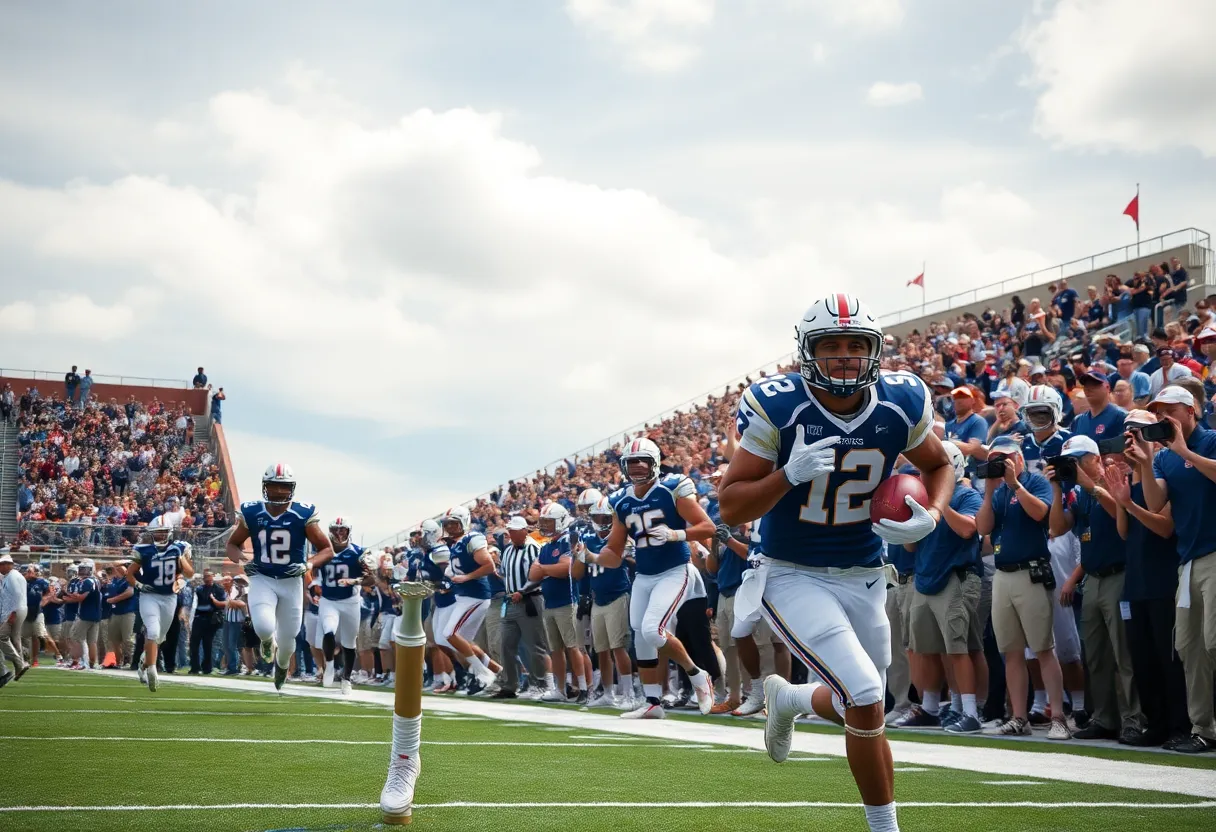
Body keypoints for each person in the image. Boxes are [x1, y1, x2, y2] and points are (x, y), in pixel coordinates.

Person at [719, 293, 954, 832]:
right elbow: (730, 505)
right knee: (867, 695)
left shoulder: (900, 400)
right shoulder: (779, 406)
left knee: (865, 698)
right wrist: (786, 475)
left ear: (874, 351)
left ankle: (793, 697)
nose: (845, 356)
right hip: (789, 571)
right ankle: (884, 827)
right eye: (832, 346)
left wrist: (934, 515)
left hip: (865, 572)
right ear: (808, 353)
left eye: (856, 345)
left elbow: (939, 464)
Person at [595, 437, 718, 719]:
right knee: (641, 635)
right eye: (631, 462)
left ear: (656, 463)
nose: (637, 467)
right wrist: (590, 557)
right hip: (644, 575)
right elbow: (614, 551)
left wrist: (676, 534)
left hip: (675, 569)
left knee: (653, 629)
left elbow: (707, 527)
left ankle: (698, 675)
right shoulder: (621, 500)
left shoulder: (671, 488)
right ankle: (653, 702)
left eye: (643, 461)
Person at [1131, 386, 1216, 753]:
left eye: (1169, 411)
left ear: (1190, 410)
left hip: (1215, 553)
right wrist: (1147, 465)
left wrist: (1184, 451)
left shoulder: (1211, 439)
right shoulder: (1164, 457)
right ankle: (1203, 728)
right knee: (1189, 646)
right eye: (1158, 412)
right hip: (1188, 560)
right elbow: (1155, 500)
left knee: (1214, 641)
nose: (1162, 418)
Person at [1049, 436, 1144, 743]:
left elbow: (1121, 514)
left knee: (1123, 652)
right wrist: (1056, 488)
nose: (1073, 467)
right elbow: (1057, 528)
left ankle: (1133, 718)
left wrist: (1087, 484)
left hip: (1118, 574)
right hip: (1092, 578)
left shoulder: (1113, 480)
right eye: (1069, 462)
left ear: (1095, 459)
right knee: (1096, 655)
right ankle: (1104, 717)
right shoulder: (1077, 493)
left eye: (1077, 460)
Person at [976, 436, 1070, 740]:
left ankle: (1058, 716)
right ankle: (1018, 716)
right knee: (1011, 651)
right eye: (993, 459)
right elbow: (982, 528)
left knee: (1043, 647)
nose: (998, 464)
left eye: (1002, 458)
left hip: (1030, 571)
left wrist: (1016, 484)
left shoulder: (1034, 481)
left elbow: (1042, 514)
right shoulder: (997, 491)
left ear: (1018, 458)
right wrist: (990, 492)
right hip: (1003, 574)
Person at [225, 463, 335, 690]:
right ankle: (267, 641)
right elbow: (232, 545)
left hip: (291, 581)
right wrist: (245, 562)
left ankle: (282, 665)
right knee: (264, 627)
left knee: (288, 639)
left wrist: (308, 564)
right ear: (265, 487)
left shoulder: (301, 513)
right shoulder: (253, 512)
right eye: (274, 487)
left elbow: (327, 549)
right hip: (263, 577)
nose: (278, 492)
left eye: (283, 487)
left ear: (291, 488)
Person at [904, 441, 986, 734]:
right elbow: (910, 545)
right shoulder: (921, 498)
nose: (924, 475)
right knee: (925, 649)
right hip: (925, 576)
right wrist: (910, 514)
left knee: (958, 648)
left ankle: (971, 711)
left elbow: (968, 528)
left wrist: (941, 502)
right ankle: (929, 707)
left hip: (956, 576)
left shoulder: (966, 494)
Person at [577, 494, 635, 709]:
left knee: (618, 647)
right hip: (597, 598)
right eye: (597, 518)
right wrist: (578, 556)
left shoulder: (621, 538)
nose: (601, 523)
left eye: (605, 518)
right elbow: (577, 573)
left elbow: (629, 560)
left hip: (618, 595)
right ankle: (608, 693)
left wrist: (627, 553)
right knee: (601, 649)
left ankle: (628, 693)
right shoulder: (588, 539)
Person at [437, 505, 502, 694]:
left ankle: (483, 673)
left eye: (454, 524)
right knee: (464, 642)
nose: (450, 527)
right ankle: (499, 671)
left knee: (449, 634)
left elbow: (488, 566)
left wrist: (466, 577)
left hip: (475, 596)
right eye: (447, 524)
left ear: (464, 523)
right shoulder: (456, 544)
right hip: (464, 595)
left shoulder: (472, 539)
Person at [530, 502, 589, 704]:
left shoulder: (567, 540)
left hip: (567, 600)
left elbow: (565, 569)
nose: (545, 526)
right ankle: (560, 689)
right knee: (555, 650)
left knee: (573, 647)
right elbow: (532, 573)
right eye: (543, 522)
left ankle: (583, 688)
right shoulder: (546, 546)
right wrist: (548, 569)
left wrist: (544, 569)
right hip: (550, 603)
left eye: (549, 522)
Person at [128, 517, 194, 691]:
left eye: (163, 531)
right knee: (153, 631)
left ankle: (144, 662)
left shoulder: (179, 548)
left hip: (169, 597)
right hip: (149, 596)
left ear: (169, 531)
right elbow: (129, 574)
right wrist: (140, 585)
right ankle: (152, 669)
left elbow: (189, 573)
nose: (159, 535)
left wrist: (181, 573)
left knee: (159, 637)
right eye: (157, 532)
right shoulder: (144, 550)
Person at [316, 516, 371, 695]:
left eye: (343, 530)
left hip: (350, 602)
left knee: (349, 642)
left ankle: (346, 679)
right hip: (328, 600)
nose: (339, 534)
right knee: (329, 630)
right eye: (336, 530)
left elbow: (371, 578)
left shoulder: (358, 552)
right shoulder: (323, 551)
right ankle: (330, 664)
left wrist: (354, 580)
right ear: (330, 532)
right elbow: (309, 568)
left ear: (348, 532)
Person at [0, 554, 29, 685]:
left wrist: (12, 613)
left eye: (1, 565)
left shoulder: (12, 576)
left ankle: (20, 663)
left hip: (15, 610)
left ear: (7, 564)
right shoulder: (11, 576)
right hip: (17, 610)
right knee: (14, 638)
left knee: (1, 637)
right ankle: (20, 665)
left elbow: (17, 595)